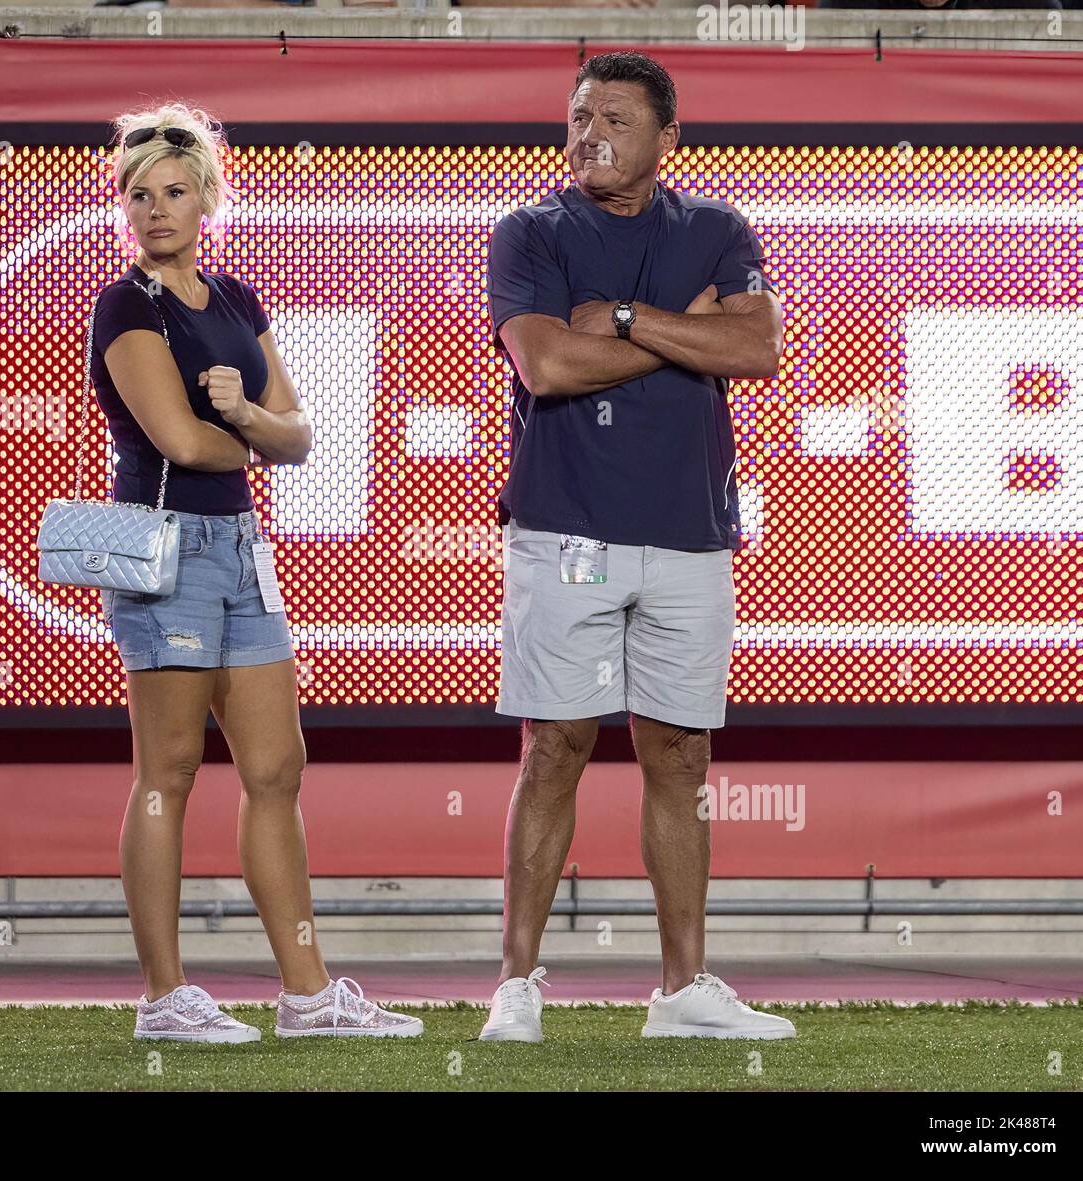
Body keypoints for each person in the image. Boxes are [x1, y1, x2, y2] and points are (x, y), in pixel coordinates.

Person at [481, 53, 795, 1042]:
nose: (590, 134)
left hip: (691, 536)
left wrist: (620, 319)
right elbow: (547, 364)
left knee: (681, 755)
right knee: (555, 747)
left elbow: (756, 348)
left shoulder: (717, 229)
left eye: (615, 118)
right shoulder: (529, 230)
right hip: (565, 532)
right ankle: (516, 985)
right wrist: (681, 332)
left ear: (669, 139)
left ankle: (682, 990)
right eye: (580, 115)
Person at [92, 101, 421, 1041]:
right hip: (165, 546)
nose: (155, 210)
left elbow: (303, 434)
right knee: (169, 769)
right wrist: (254, 434)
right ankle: (164, 998)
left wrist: (254, 423)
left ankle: (308, 996)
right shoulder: (126, 304)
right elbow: (182, 441)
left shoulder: (235, 300)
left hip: (241, 546)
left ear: (206, 200)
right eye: (139, 196)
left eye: (173, 192)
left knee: (277, 767)